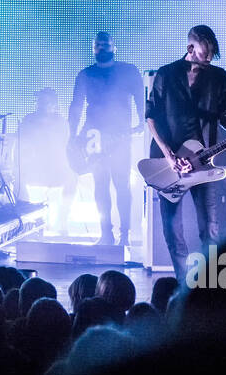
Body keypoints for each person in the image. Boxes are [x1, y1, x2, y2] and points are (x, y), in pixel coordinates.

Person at [145, 25, 226, 277]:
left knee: (211, 229)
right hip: (170, 162)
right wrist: (169, 156)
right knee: (173, 229)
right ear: (190, 48)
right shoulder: (166, 74)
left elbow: (224, 116)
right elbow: (151, 117)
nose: (208, 60)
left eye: (211, 55)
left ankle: (209, 286)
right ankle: (184, 285)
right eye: (204, 54)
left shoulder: (217, 77)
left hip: (204, 161)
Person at [68, 32, 145, 246]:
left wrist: (142, 121)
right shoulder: (85, 74)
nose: (101, 48)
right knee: (100, 184)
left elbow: (141, 97)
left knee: (122, 185)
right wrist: (72, 135)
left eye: (105, 45)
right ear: (93, 49)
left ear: (114, 47)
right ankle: (106, 234)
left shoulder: (128, 71)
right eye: (97, 45)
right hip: (94, 136)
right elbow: (76, 106)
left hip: (120, 135)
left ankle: (125, 235)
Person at [17, 88, 80, 234]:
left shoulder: (61, 121)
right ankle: (36, 223)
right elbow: (21, 143)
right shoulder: (29, 119)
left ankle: (62, 221)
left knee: (72, 179)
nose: (43, 104)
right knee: (22, 181)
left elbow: (65, 144)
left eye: (46, 101)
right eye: (40, 101)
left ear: (53, 104)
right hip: (34, 168)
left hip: (56, 167)